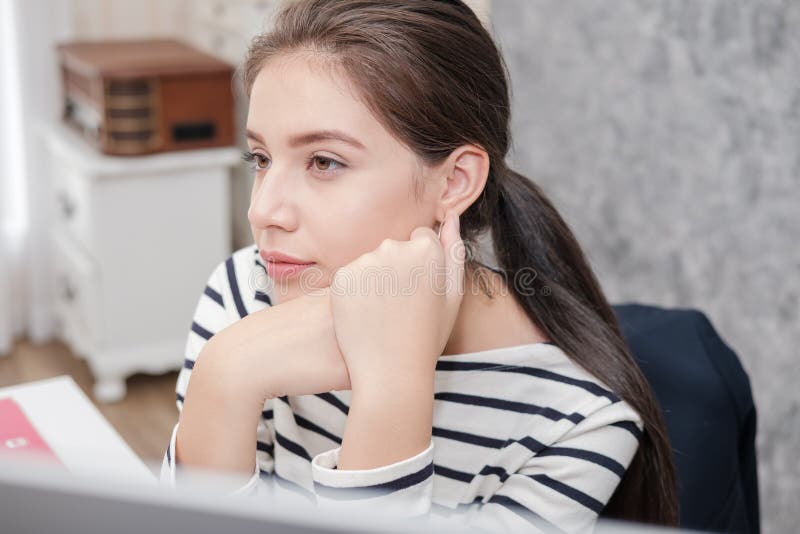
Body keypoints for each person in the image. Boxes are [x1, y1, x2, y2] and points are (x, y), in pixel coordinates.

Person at [160, 1, 678, 531]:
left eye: (324, 162)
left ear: (453, 182)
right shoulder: (245, 293)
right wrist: (224, 375)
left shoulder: (577, 421)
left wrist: (393, 380)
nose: (263, 210)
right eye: (262, 159)